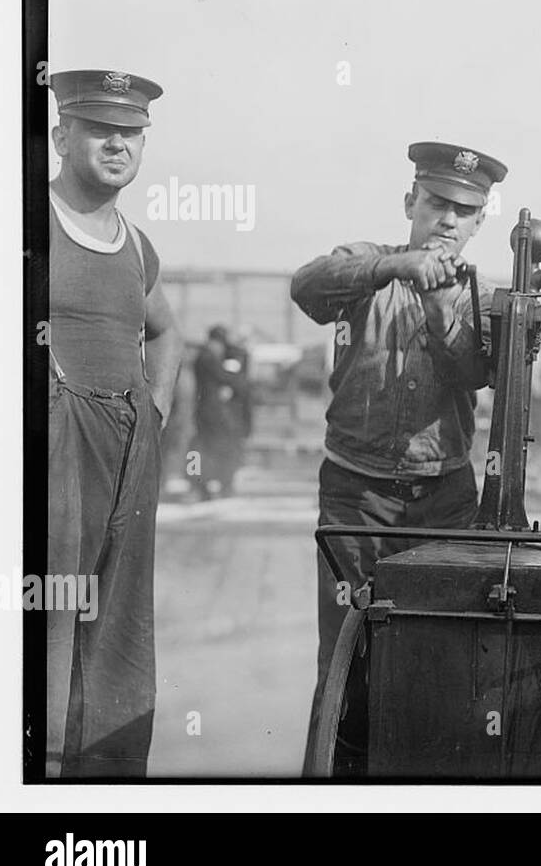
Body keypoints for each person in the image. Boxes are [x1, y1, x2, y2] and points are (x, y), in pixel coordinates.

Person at [291, 141, 503, 770]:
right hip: (357, 498)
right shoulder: (365, 263)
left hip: (443, 502)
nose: (447, 220)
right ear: (411, 201)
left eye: (464, 212)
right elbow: (307, 286)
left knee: (439, 662)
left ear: (479, 222)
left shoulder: (480, 294)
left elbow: (473, 371)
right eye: (437, 203)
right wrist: (398, 268)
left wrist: (441, 303)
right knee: (344, 665)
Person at [45, 69, 183, 777]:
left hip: (127, 454)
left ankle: (105, 782)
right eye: (101, 128)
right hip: (47, 461)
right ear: (60, 133)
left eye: (131, 132)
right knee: (41, 624)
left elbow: (164, 333)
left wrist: (153, 409)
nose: (118, 143)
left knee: (119, 629)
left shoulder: (136, 246)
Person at [191, 324, 252, 498]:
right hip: (211, 413)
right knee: (204, 450)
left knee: (210, 449)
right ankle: (201, 485)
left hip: (211, 412)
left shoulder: (207, 356)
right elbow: (228, 378)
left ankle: (212, 485)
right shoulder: (207, 358)